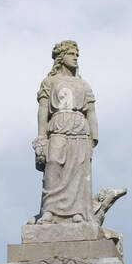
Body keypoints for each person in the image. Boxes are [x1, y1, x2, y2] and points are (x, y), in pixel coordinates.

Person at [33, 40, 97, 223]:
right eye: (71, 54)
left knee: (77, 169)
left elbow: (91, 112)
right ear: (61, 58)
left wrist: (94, 138)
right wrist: (41, 137)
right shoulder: (50, 82)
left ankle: (77, 211)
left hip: (80, 129)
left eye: (77, 55)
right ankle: (49, 211)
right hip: (58, 126)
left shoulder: (83, 85)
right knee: (53, 164)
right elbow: (43, 110)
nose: (75, 58)